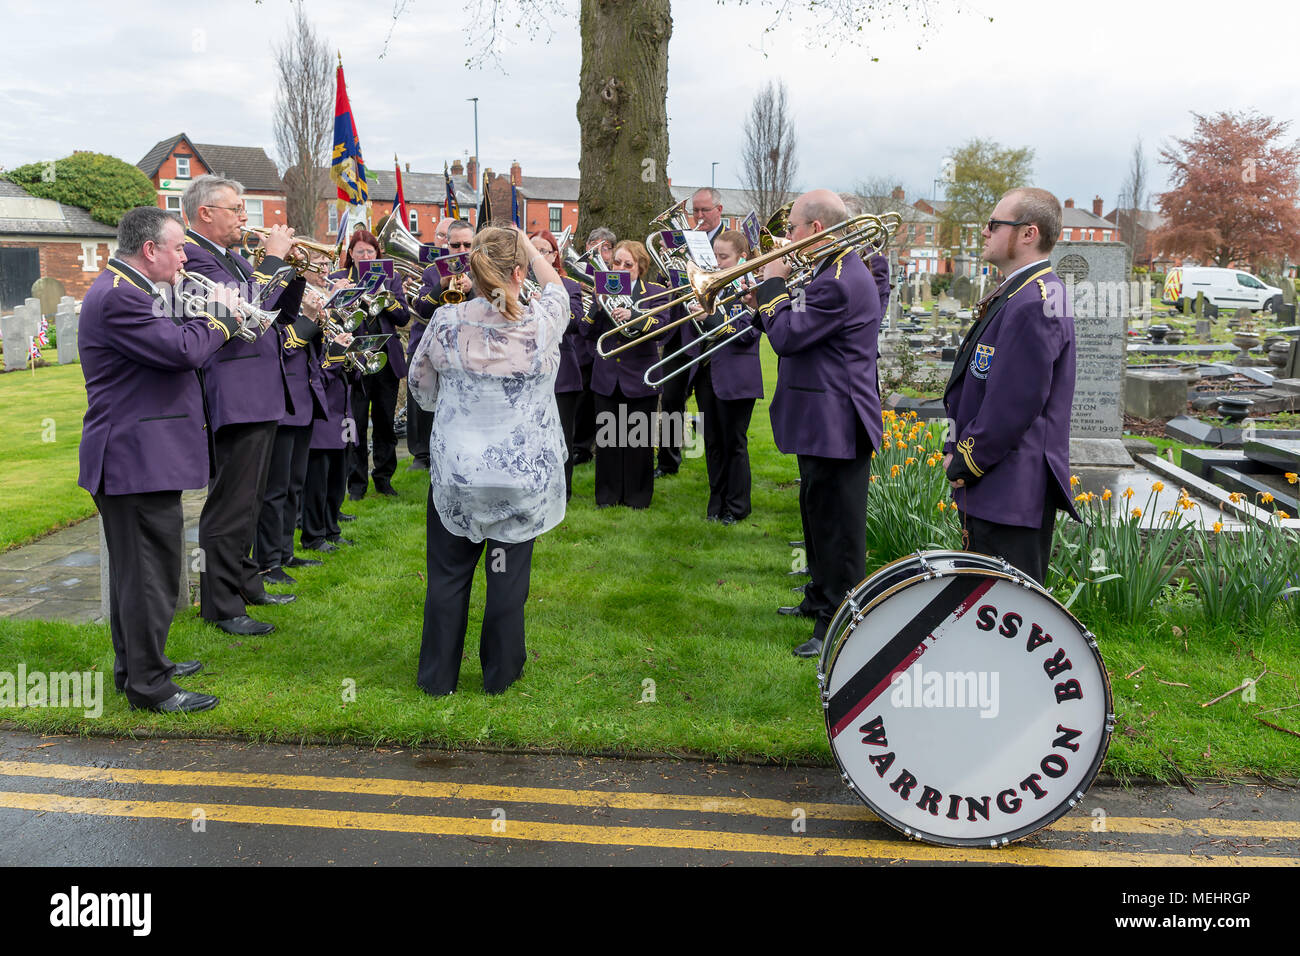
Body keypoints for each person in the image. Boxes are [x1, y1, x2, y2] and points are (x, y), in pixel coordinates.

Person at [78, 206, 239, 712]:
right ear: (150, 250)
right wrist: (224, 317)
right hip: (134, 458)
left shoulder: (133, 290)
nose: (185, 255)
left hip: (140, 456)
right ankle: (150, 686)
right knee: (151, 574)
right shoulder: (120, 298)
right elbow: (183, 351)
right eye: (177, 247)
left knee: (141, 572)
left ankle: (140, 665)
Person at [408, 226, 569, 695]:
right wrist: (523, 241)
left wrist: (458, 409)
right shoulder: (542, 321)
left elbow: (420, 389)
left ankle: (438, 679)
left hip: (459, 473)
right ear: (519, 271)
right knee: (506, 580)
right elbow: (557, 284)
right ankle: (500, 675)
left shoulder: (446, 322)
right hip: (520, 478)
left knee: (447, 576)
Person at [751, 189, 883, 659]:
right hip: (822, 416)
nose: (786, 238)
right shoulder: (832, 270)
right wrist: (763, 301)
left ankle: (839, 624)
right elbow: (791, 323)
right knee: (817, 513)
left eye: (791, 230)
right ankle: (820, 598)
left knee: (838, 529)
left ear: (816, 230)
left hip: (836, 420)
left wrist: (771, 285)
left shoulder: (839, 280)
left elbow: (786, 336)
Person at [942, 187, 1079, 585]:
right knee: (984, 607)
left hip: (1010, 486)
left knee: (1004, 611)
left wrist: (966, 461)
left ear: (1027, 234)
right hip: (1000, 484)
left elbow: (1014, 404)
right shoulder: (1021, 291)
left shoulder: (1036, 300)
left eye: (993, 224)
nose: (984, 232)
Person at [182, 175, 299, 637]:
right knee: (229, 504)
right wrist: (272, 259)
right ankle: (220, 605)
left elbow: (274, 312)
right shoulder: (193, 256)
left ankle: (247, 583)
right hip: (234, 395)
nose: (245, 216)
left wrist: (292, 272)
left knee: (248, 500)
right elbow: (246, 310)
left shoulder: (228, 255)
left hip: (258, 391)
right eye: (236, 208)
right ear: (206, 212)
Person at [579, 239, 666, 509]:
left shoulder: (654, 292)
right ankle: (607, 497)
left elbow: (664, 328)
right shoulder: (603, 289)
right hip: (607, 376)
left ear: (641, 267)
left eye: (628, 264)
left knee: (638, 443)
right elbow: (586, 332)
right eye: (617, 262)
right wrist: (596, 304)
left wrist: (634, 316)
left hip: (640, 376)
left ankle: (637, 498)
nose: (621, 267)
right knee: (608, 442)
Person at [692, 229, 764, 524]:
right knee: (712, 444)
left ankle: (736, 507)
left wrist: (707, 317)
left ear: (741, 258)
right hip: (707, 374)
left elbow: (746, 334)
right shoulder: (712, 286)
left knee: (734, 444)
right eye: (715, 256)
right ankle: (715, 505)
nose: (718, 263)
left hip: (736, 378)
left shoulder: (751, 290)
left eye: (724, 257)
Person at [335, 230, 410, 500]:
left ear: (378, 254)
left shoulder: (391, 280)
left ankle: (384, 478)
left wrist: (384, 295)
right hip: (354, 363)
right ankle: (356, 483)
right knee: (354, 423)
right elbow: (334, 320)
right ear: (351, 256)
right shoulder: (340, 281)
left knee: (384, 422)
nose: (366, 256)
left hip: (385, 362)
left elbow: (402, 317)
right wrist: (341, 296)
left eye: (370, 252)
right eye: (360, 252)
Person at [530, 228, 586, 501]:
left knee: (562, 435)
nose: (538, 256)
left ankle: (563, 491)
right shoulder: (515, 283)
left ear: (555, 256)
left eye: (544, 251)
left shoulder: (570, 286)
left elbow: (575, 323)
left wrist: (550, 306)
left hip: (563, 372)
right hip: (527, 370)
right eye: (533, 251)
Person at [406, 216, 457, 472]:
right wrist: (441, 286)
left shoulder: (478, 269)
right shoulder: (430, 271)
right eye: (442, 237)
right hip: (428, 342)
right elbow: (422, 307)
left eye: (455, 240)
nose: (447, 243)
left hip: (459, 348)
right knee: (423, 399)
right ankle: (421, 454)